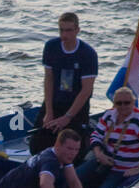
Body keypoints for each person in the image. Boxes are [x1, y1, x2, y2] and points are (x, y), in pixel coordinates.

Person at [30, 11, 98, 155]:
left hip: (76, 106)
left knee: (74, 150)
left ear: (77, 30)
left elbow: (86, 90)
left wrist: (67, 117)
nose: (64, 35)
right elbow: (48, 79)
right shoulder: (51, 47)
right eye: (61, 30)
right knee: (37, 146)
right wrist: (49, 111)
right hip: (55, 101)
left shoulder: (87, 54)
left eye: (68, 30)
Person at [75, 87, 139, 188]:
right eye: (119, 103)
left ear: (133, 102)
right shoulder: (109, 115)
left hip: (123, 170)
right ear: (114, 103)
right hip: (103, 162)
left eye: (127, 103)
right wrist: (99, 154)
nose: (123, 106)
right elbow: (96, 136)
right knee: (74, 177)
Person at [0, 129, 86, 188]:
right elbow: (45, 184)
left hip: (13, 186)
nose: (73, 153)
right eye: (70, 149)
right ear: (58, 145)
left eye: (76, 149)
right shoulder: (50, 162)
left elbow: (73, 181)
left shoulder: (61, 155)